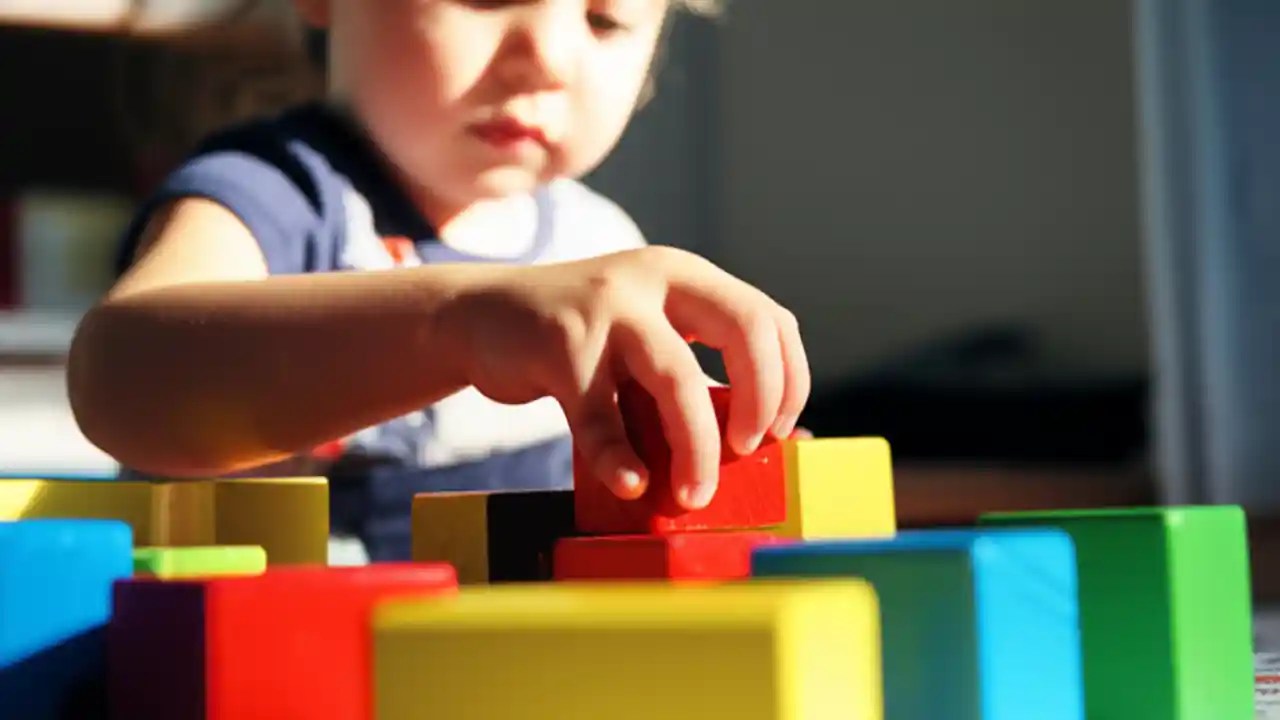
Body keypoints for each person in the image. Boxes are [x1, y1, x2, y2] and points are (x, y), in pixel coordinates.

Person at [66, 0, 811, 561]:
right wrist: (461, 322)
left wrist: (718, 468)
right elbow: (118, 375)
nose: (547, 56)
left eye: (605, 19)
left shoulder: (603, 246)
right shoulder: (278, 192)